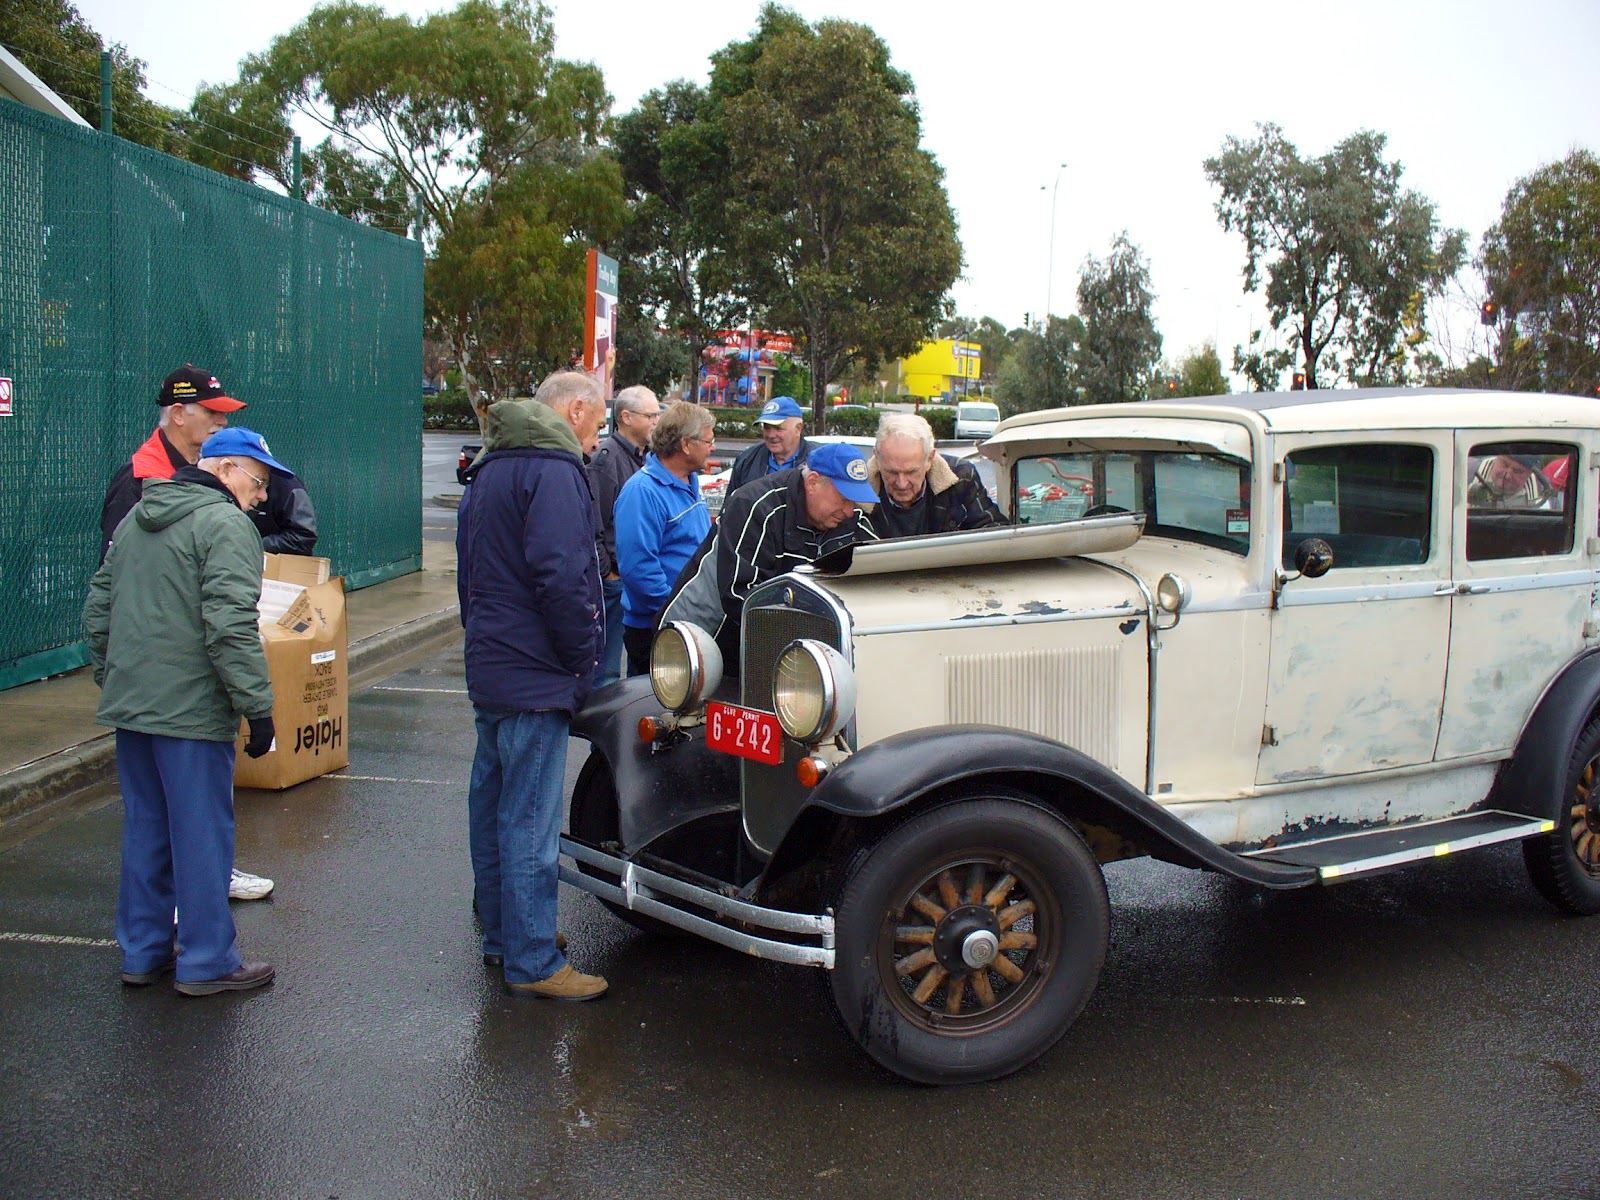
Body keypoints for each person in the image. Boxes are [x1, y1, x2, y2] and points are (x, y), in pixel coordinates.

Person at [82, 427, 288, 996]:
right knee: (202, 836)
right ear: (224, 472)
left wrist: (113, 677)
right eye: (258, 480)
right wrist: (258, 709)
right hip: (191, 712)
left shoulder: (137, 518)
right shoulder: (227, 527)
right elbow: (229, 627)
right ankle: (207, 960)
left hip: (134, 706)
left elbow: (99, 608)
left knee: (146, 829)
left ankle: (144, 950)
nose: (263, 495)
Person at [96, 364, 280, 903]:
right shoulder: (141, 479)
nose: (218, 421)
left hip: (146, 687)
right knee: (190, 823)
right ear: (178, 414)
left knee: (159, 822)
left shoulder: (195, 483)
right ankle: (201, 945)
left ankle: (152, 940)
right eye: (211, 413)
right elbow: (115, 585)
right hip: (175, 691)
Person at [456, 371, 608, 1001]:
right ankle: (534, 959)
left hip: (495, 663)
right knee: (530, 822)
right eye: (596, 425)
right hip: (535, 673)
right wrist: (581, 661)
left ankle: (507, 936)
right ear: (575, 411)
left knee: (493, 809)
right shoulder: (553, 470)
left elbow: (471, 573)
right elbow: (565, 576)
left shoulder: (490, 467)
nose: (595, 441)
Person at [660, 443, 880, 665]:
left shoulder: (852, 518)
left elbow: (880, 567)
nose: (850, 510)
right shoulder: (754, 505)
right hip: (702, 637)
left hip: (781, 648)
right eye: (844, 499)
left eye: (855, 500)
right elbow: (742, 597)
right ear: (813, 482)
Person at [613, 403, 715, 676]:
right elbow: (638, 570)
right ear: (686, 444)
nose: (712, 447)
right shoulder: (642, 492)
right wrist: (676, 611)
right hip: (657, 627)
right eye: (708, 440)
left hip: (688, 623)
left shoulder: (688, 481)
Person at [587, 386, 662, 686]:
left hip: (630, 581)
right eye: (650, 415)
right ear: (626, 417)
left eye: (658, 413)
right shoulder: (607, 460)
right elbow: (595, 523)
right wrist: (608, 574)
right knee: (606, 672)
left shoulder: (642, 457)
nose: (657, 420)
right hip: (615, 583)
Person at [866, 412, 1007, 539]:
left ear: (930, 459)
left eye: (911, 472)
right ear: (877, 458)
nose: (902, 483)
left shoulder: (961, 477)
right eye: (892, 472)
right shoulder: (857, 489)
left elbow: (995, 533)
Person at [727, 396, 818, 494]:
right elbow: (731, 505)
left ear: (798, 429)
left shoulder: (819, 461)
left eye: (778, 428)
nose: (771, 435)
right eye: (767, 428)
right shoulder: (747, 460)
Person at [1468, 454, 1554, 510]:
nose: (1508, 476)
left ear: (1530, 473)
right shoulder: (1465, 473)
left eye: (1518, 471)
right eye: (1505, 464)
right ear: (1497, 457)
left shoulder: (1543, 493)